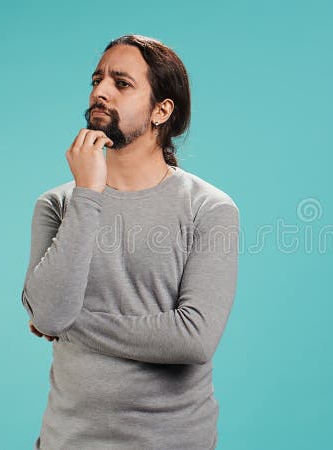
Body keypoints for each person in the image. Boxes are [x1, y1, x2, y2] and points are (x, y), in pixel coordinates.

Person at [20, 34, 239, 450]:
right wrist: (87, 195)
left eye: (121, 83)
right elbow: (49, 315)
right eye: (97, 79)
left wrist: (70, 322)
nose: (100, 91)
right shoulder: (57, 204)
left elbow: (193, 338)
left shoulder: (209, 208)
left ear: (161, 110)